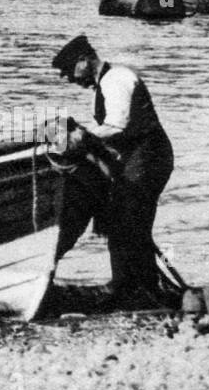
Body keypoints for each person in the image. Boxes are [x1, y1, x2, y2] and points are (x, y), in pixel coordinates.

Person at [51, 33, 174, 307]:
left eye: (69, 71)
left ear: (84, 60)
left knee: (129, 221)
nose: (69, 79)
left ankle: (135, 289)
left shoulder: (117, 79)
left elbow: (118, 126)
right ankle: (133, 284)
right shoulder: (102, 85)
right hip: (135, 158)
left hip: (149, 157)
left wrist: (82, 136)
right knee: (125, 221)